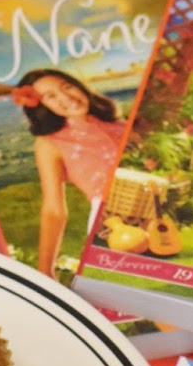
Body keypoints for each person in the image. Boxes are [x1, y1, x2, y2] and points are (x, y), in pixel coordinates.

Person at [13, 68, 121, 277]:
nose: (66, 97)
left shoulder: (118, 124)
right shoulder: (50, 144)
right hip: (108, 225)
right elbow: (54, 210)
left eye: (67, 87)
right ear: (42, 106)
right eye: (51, 96)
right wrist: (46, 270)